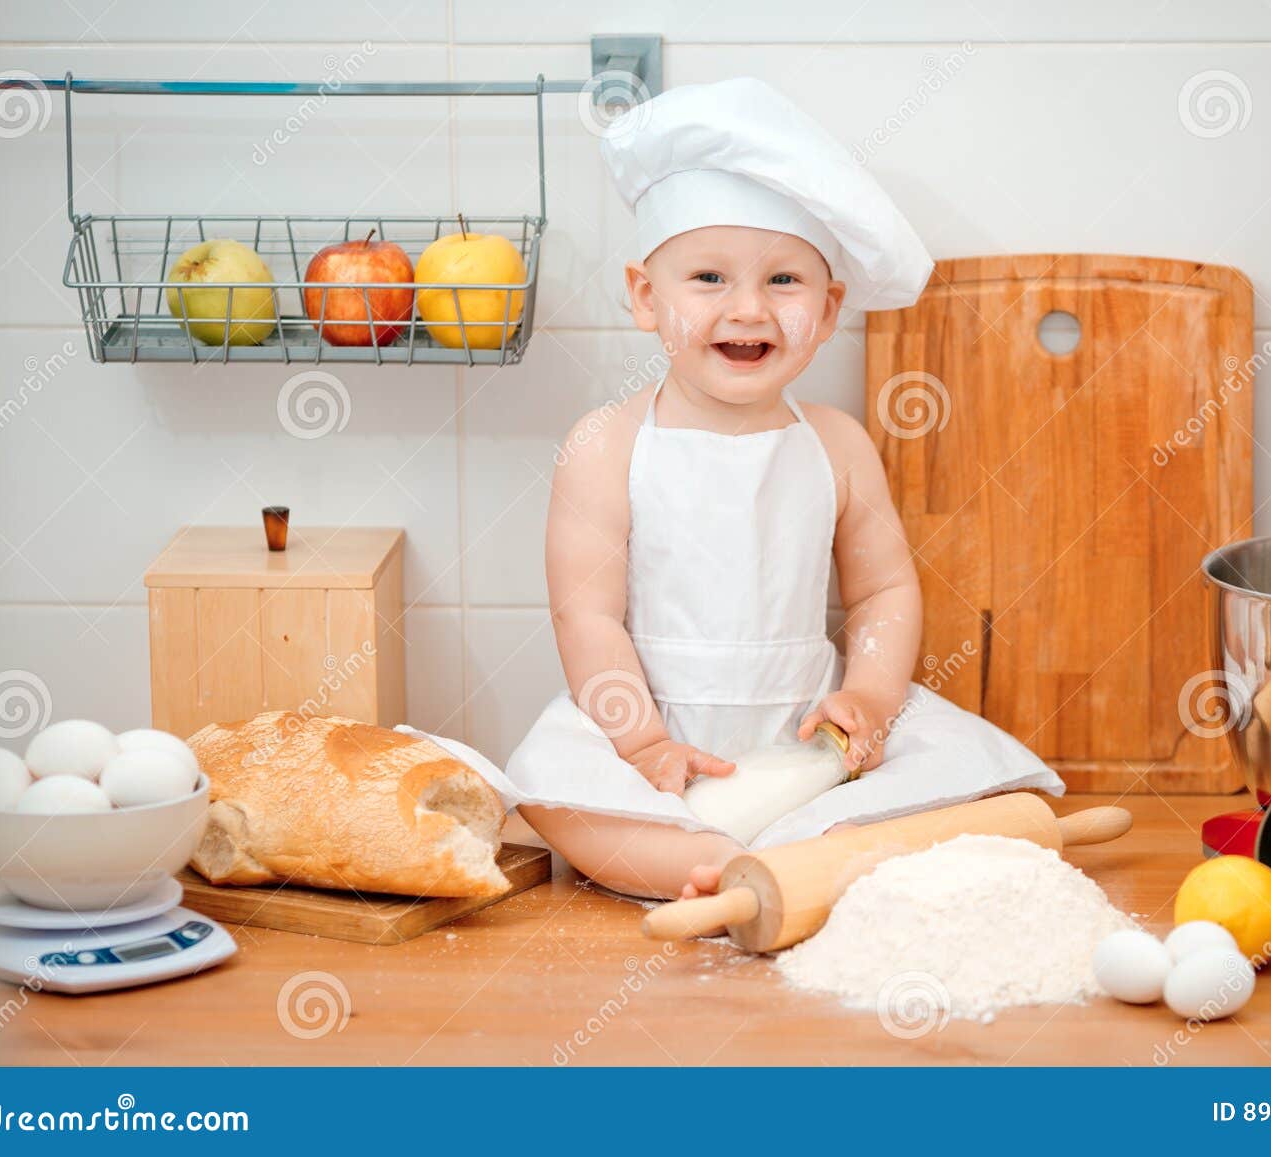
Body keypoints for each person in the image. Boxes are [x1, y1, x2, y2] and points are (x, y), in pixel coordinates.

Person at [440, 78, 1062, 901]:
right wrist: (645, 747)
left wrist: (869, 700)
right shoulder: (606, 444)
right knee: (556, 798)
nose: (747, 309)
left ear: (830, 305)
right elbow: (586, 617)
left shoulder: (837, 444)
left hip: (805, 742)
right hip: (653, 745)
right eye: (707, 277)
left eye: (783, 282)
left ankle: (785, 854)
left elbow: (881, 589)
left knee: (965, 777)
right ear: (644, 296)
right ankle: (776, 866)